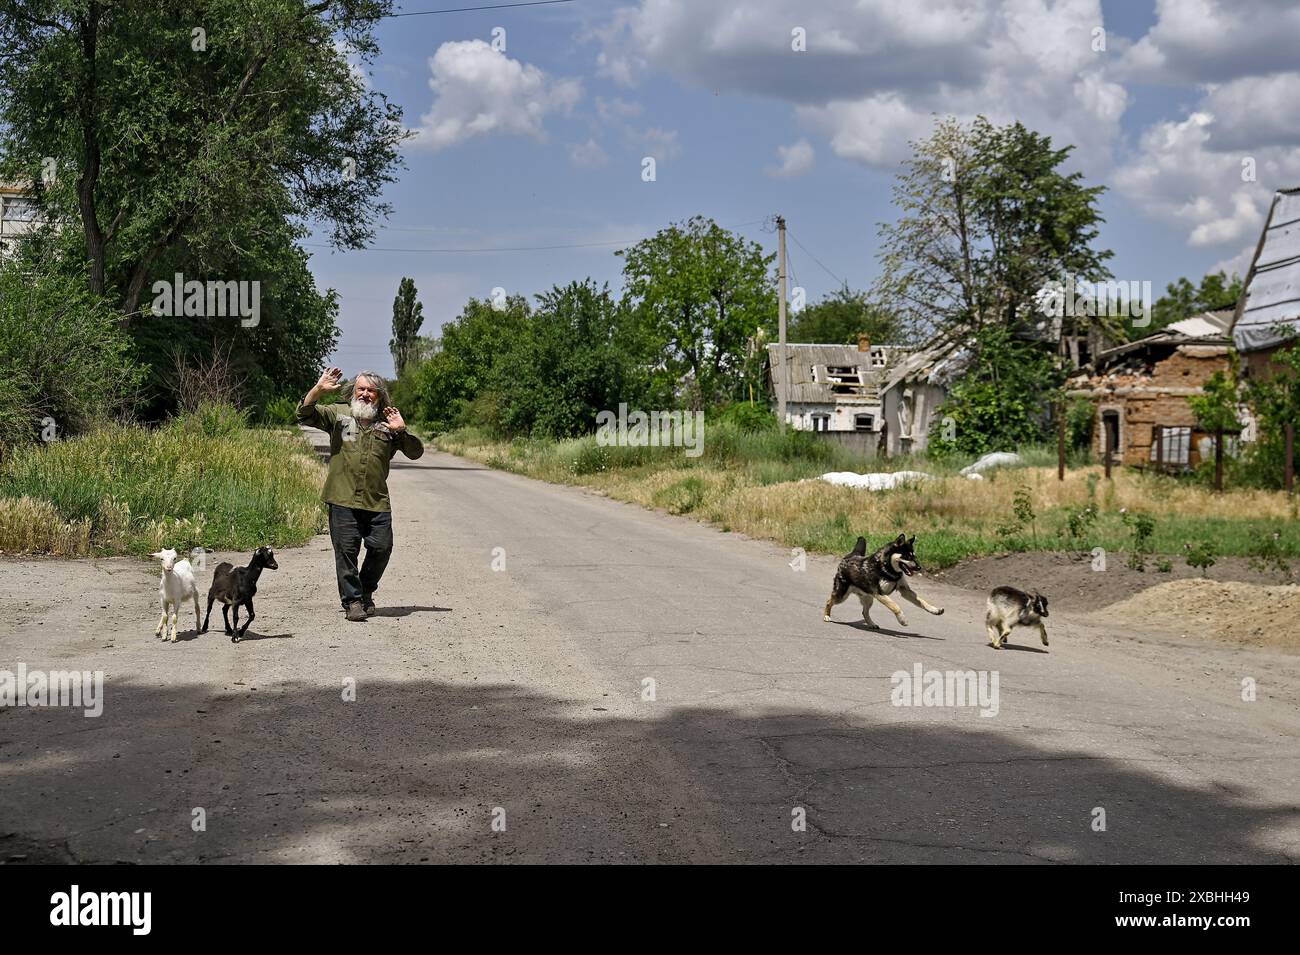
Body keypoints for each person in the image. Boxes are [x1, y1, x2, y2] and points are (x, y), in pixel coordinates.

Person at [297, 367, 423, 621]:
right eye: (361, 389)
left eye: (371, 390)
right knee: (346, 550)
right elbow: (305, 414)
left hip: (376, 500)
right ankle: (353, 601)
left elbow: (415, 452)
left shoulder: (389, 423)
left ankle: (366, 591)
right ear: (353, 392)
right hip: (341, 497)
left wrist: (401, 430)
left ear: (380, 395)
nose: (365, 394)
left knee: (381, 547)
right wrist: (318, 389)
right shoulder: (339, 415)